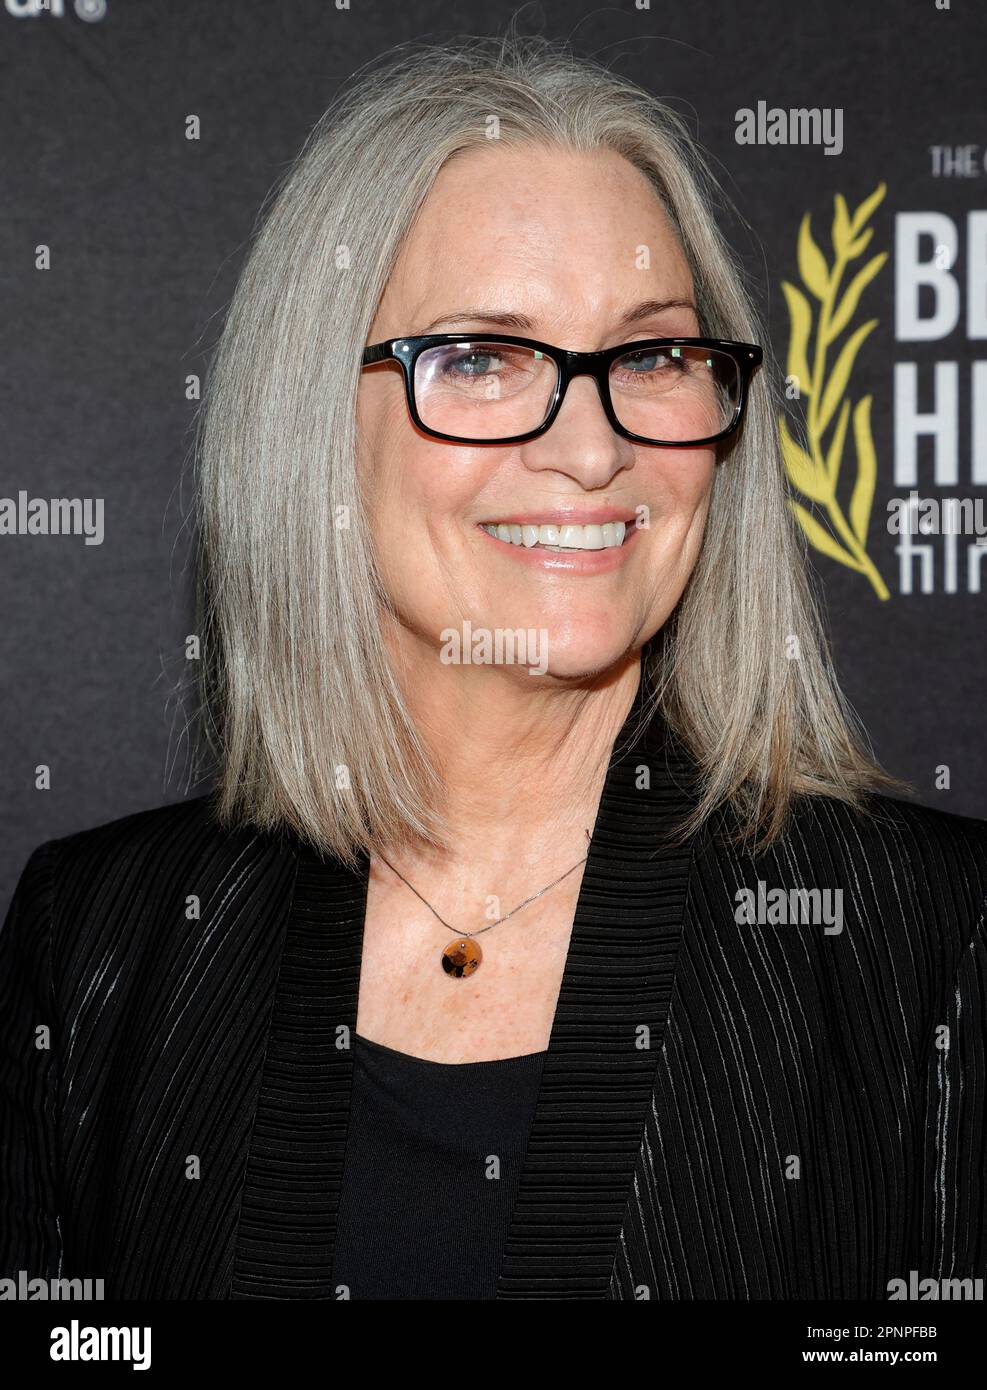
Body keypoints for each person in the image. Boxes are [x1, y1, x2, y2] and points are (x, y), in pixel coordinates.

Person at [1, 31, 985, 1301]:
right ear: (313, 425)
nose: (590, 449)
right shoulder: (100, 944)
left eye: (652, 357)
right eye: (479, 357)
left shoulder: (934, 943)